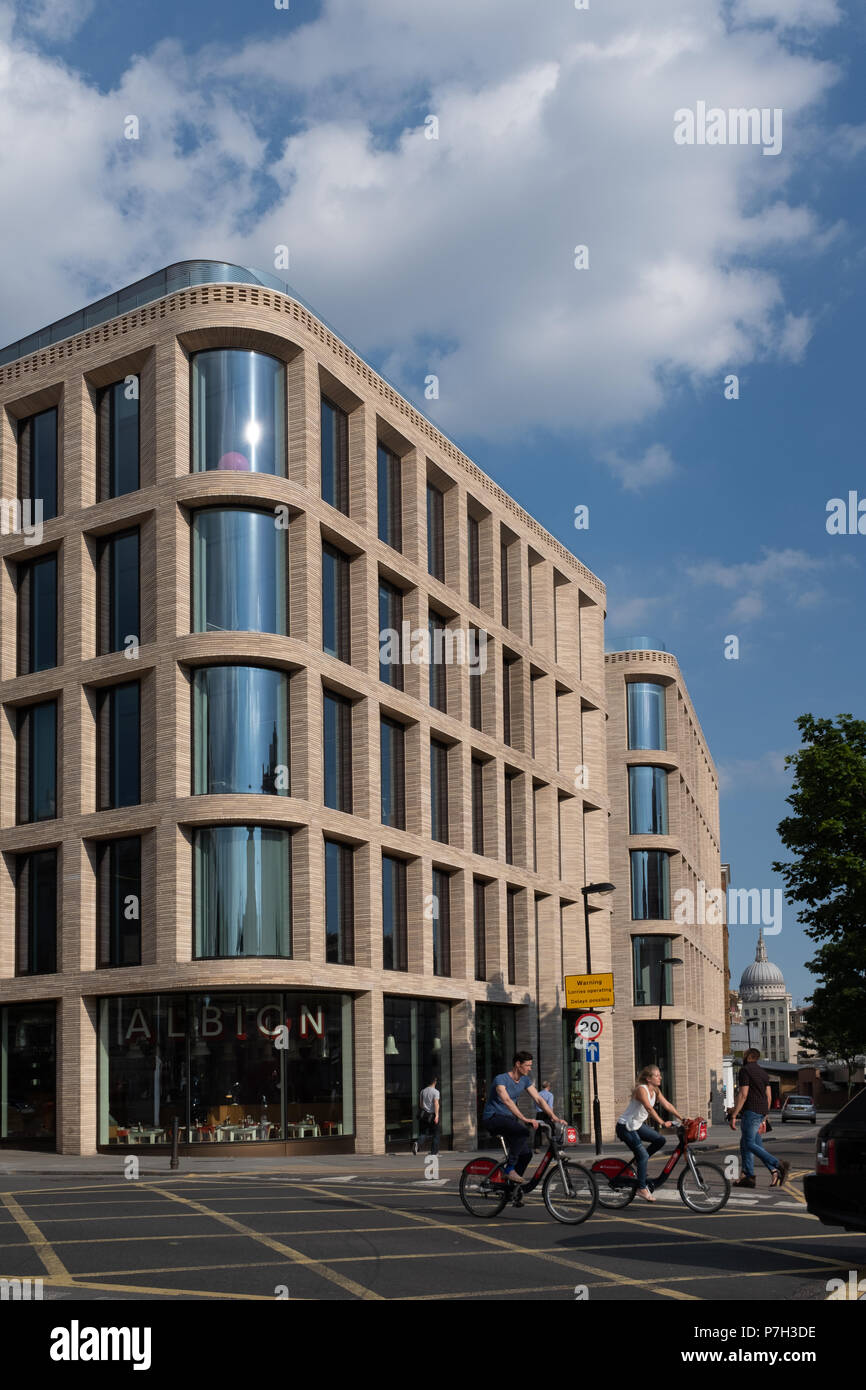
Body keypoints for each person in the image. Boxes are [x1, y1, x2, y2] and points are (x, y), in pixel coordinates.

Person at [482, 1051, 563, 1185]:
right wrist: (524, 1119)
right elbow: (507, 1100)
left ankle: (511, 1187)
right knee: (523, 1132)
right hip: (493, 1118)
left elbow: (538, 1098)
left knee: (526, 1154)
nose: (530, 1068)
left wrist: (554, 1117)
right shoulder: (500, 1079)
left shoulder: (524, 1080)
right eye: (527, 1065)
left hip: (508, 1120)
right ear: (518, 1064)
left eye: (531, 1065)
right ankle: (509, 1170)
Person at [616, 1064, 684, 1203]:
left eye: (660, 1075)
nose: (660, 1077)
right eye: (657, 1075)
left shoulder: (656, 1091)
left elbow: (667, 1105)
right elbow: (648, 1107)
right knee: (643, 1155)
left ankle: (637, 1161)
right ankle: (641, 1188)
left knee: (660, 1140)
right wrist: (661, 1122)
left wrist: (682, 1118)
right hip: (625, 1126)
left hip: (637, 1125)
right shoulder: (641, 1090)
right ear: (648, 1078)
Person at [729, 1048, 789, 1188]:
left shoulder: (745, 1070)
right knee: (749, 1143)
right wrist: (765, 1114)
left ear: (747, 1056)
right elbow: (769, 1096)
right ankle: (753, 1176)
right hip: (761, 1111)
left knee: (749, 1144)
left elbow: (743, 1094)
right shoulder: (763, 1073)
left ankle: (778, 1164)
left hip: (751, 1111)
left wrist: (734, 1115)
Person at [412, 1076, 440, 1156]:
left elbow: (421, 1105)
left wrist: (425, 1110)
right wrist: (437, 1115)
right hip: (432, 1115)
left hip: (424, 1115)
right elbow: (436, 1104)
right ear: (434, 1082)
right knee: (436, 1133)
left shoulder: (422, 1091)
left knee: (424, 1133)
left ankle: (417, 1143)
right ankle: (434, 1152)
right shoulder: (436, 1092)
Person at [533, 1080, 554, 1151]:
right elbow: (550, 1107)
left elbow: (535, 1105)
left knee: (538, 1130)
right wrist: (552, 1116)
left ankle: (537, 1147)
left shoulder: (538, 1094)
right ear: (549, 1087)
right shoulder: (550, 1095)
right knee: (551, 1128)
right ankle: (553, 1145)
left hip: (539, 1114)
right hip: (546, 1114)